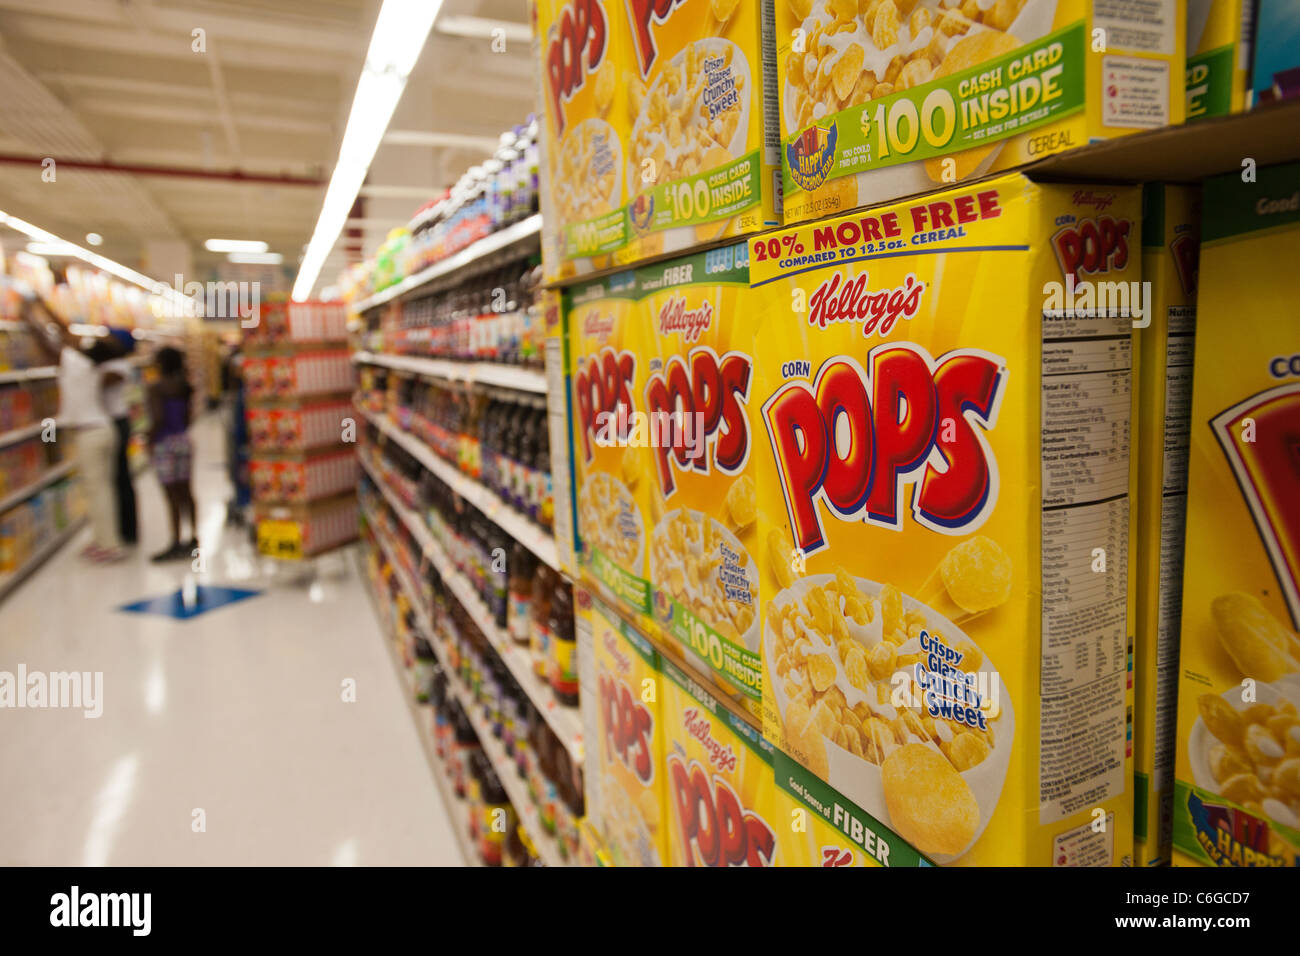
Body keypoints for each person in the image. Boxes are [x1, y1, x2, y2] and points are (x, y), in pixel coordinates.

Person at [18, 295, 127, 563]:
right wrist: (43, 307)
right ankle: (104, 538)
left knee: (97, 490)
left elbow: (50, 343)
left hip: (91, 434)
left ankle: (110, 545)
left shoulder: (77, 364)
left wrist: (29, 318)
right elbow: (66, 334)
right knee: (100, 489)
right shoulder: (86, 364)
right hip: (101, 430)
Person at [148, 346, 198, 562]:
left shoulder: (156, 388)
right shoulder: (184, 387)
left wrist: (148, 438)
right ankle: (194, 537)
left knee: (171, 497)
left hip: (164, 444)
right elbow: (188, 419)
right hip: (183, 441)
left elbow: (158, 418)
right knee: (187, 492)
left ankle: (176, 541)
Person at [101, 329, 139, 547]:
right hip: (115, 422)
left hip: (117, 423)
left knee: (121, 477)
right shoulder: (114, 364)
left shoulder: (118, 367)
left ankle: (128, 531)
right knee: (118, 478)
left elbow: (98, 382)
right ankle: (124, 529)